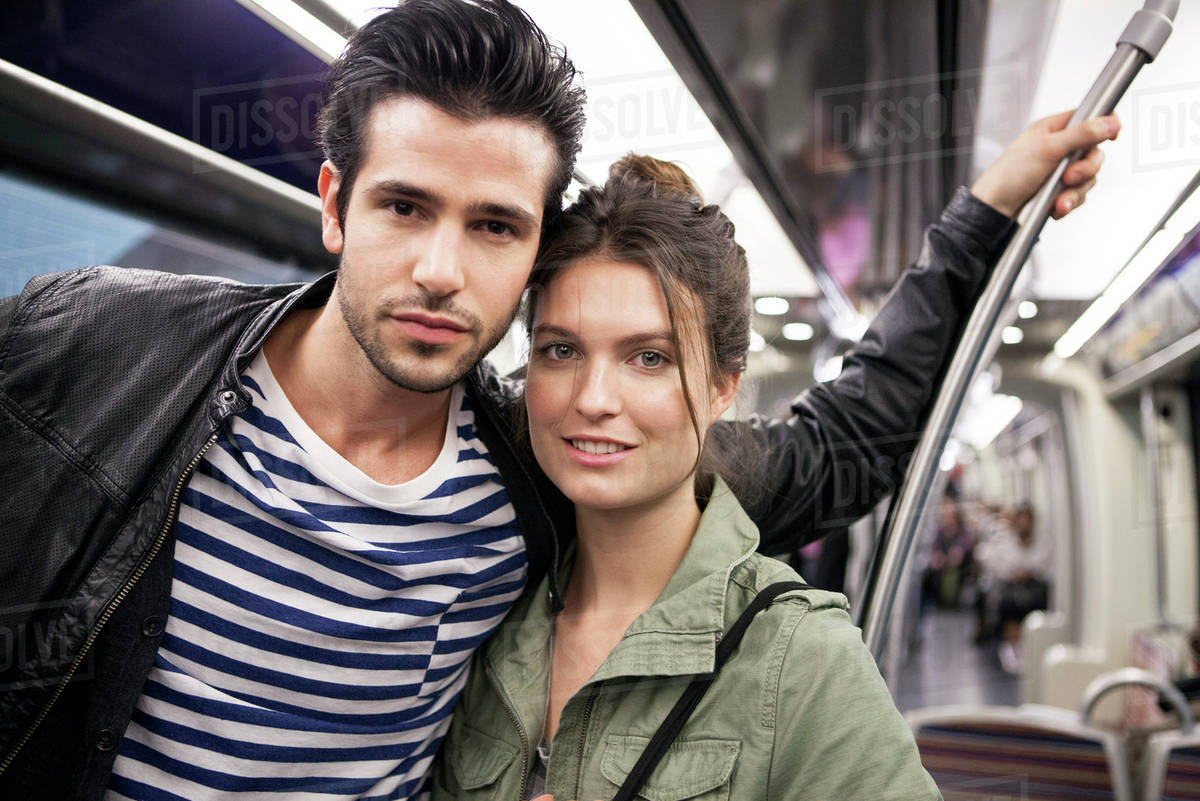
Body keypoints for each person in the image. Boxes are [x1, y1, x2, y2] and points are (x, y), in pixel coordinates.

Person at [0, 0, 1115, 796]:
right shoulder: (98, 344)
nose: (443, 267)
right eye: (404, 207)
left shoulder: (538, 468)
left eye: (493, 225)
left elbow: (850, 437)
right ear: (334, 205)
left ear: (530, 249)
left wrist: (985, 213)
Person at [431, 154, 940, 800]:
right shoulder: (491, 627)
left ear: (723, 385)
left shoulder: (798, 659)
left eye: (649, 357)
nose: (593, 397)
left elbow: (852, 430)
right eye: (561, 350)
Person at [979, 503, 1053, 672]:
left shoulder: (1042, 544)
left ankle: (1030, 647)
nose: (1023, 525)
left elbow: (1042, 566)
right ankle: (1013, 646)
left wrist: (1026, 572)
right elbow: (1001, 567)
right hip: (1011, 588)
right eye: (1020, 520)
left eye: (1027, 520)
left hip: (1034, 588)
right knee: (1009, 603)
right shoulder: (1005, 543)